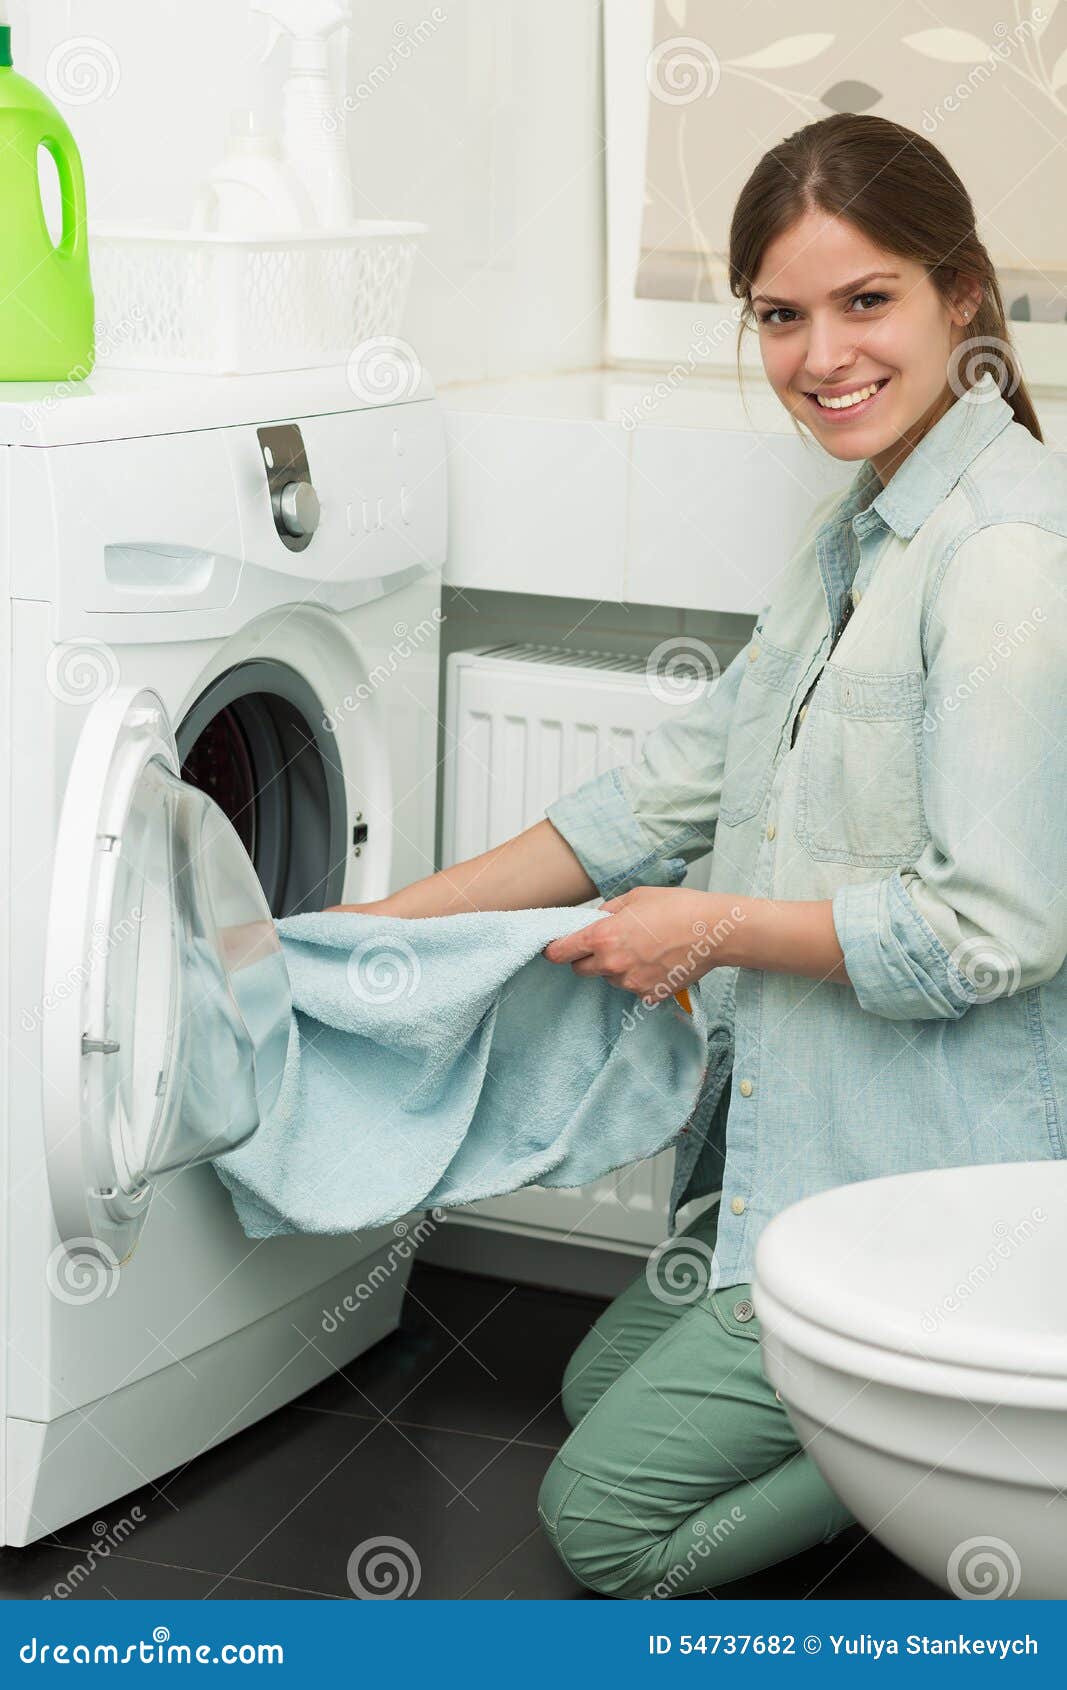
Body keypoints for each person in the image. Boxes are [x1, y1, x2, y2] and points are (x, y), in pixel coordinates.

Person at [330, 113, 1067, 1597]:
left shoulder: (997, 558)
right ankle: (927, 1445)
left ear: (963, 295)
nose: (821, 356)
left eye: (869, 302)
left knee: (604, 1523)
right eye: (782, 317)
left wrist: (712, 930)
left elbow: (995, 929)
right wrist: (363, 938)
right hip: (805, 1169)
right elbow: (656, 793)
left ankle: (975, 1449)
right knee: (604, 1392)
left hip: (927, 1179)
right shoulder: (861, 532)